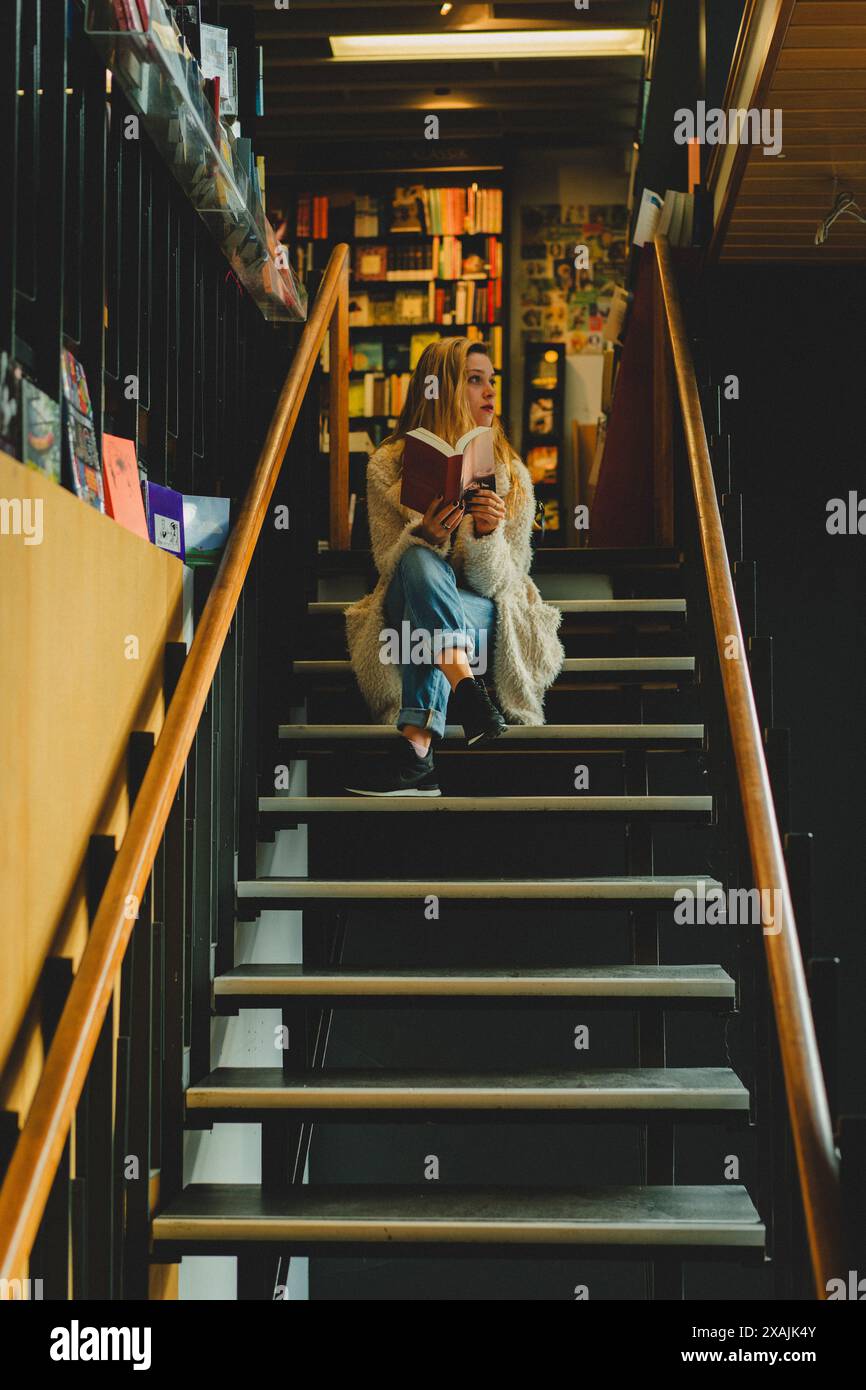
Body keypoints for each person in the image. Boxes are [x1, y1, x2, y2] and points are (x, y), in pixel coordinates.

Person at [344, 337, 565, 796]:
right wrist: (429, 534)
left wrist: (486, 537)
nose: (490, 393)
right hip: (413, 591)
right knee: (419, 559)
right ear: (441, 388)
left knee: (423, 622)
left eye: (492, 381)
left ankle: (418, 749)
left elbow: (506, 581)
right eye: (474, 380)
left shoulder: (512, 472)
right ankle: (467, 691)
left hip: (478, 611)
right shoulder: (389, 464)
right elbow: (388, 563)